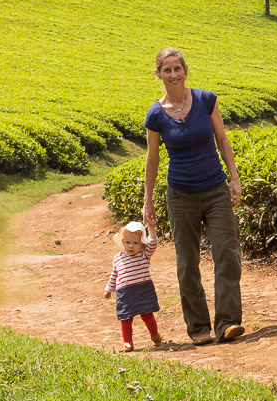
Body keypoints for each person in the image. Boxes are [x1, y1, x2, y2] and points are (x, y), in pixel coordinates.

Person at [141, 47, 244, 345]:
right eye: (167, 70)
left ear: (185, 70)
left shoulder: (205, 100)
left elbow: (222, 140)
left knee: (227, 253)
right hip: (181, 195)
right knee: (187, 263)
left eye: (177, 68)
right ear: (158, 74)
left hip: (215, 189)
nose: (173, 74)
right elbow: (152, 159)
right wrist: (148, 200)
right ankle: (198, 327)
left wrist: (234, 178)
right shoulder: (156, 114)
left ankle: (227, 322)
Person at [104, 220, 162, 352]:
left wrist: (151, 229)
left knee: (147, 316)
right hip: (125, 294)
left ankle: (155, 336)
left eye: (136, 243)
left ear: (142, 244)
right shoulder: (118, 258)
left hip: (143, 290)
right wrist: (109, 289)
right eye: (128, 242)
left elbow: (153, 243)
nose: (131, 246)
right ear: (123, 242)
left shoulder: (144, 254)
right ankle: (127, 342)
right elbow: (114, 275)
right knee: (126, 319)